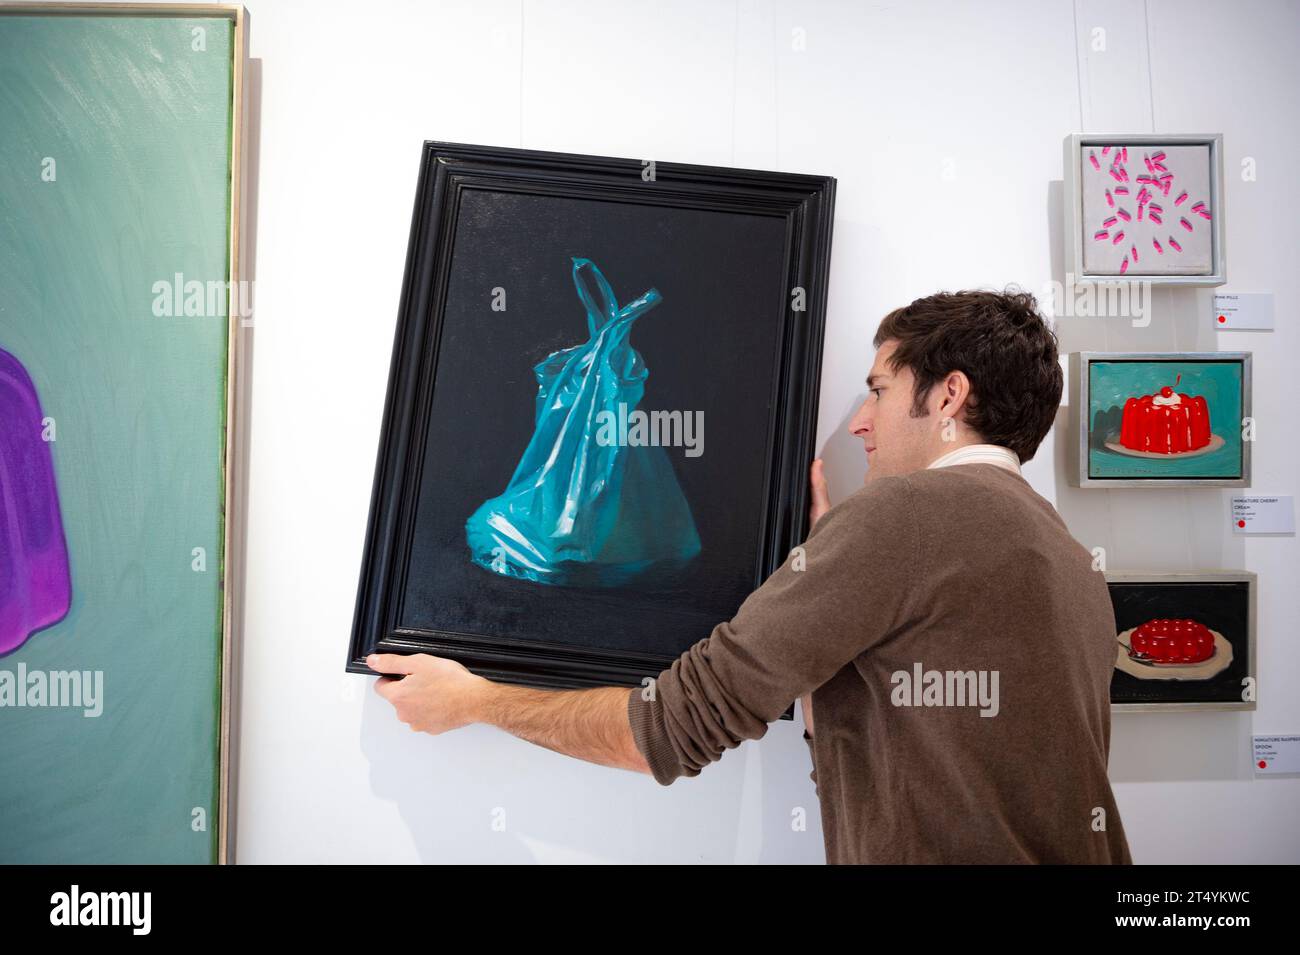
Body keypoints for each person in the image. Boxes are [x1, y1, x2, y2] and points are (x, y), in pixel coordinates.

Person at [367, 288, 1133, 865]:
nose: (861, 421)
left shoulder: (904, 516)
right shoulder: (1071, 560)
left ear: (949, 396)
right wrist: (836, 592)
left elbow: (671, 728)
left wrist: (474, 699)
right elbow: (942, 747)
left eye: (878, 389)